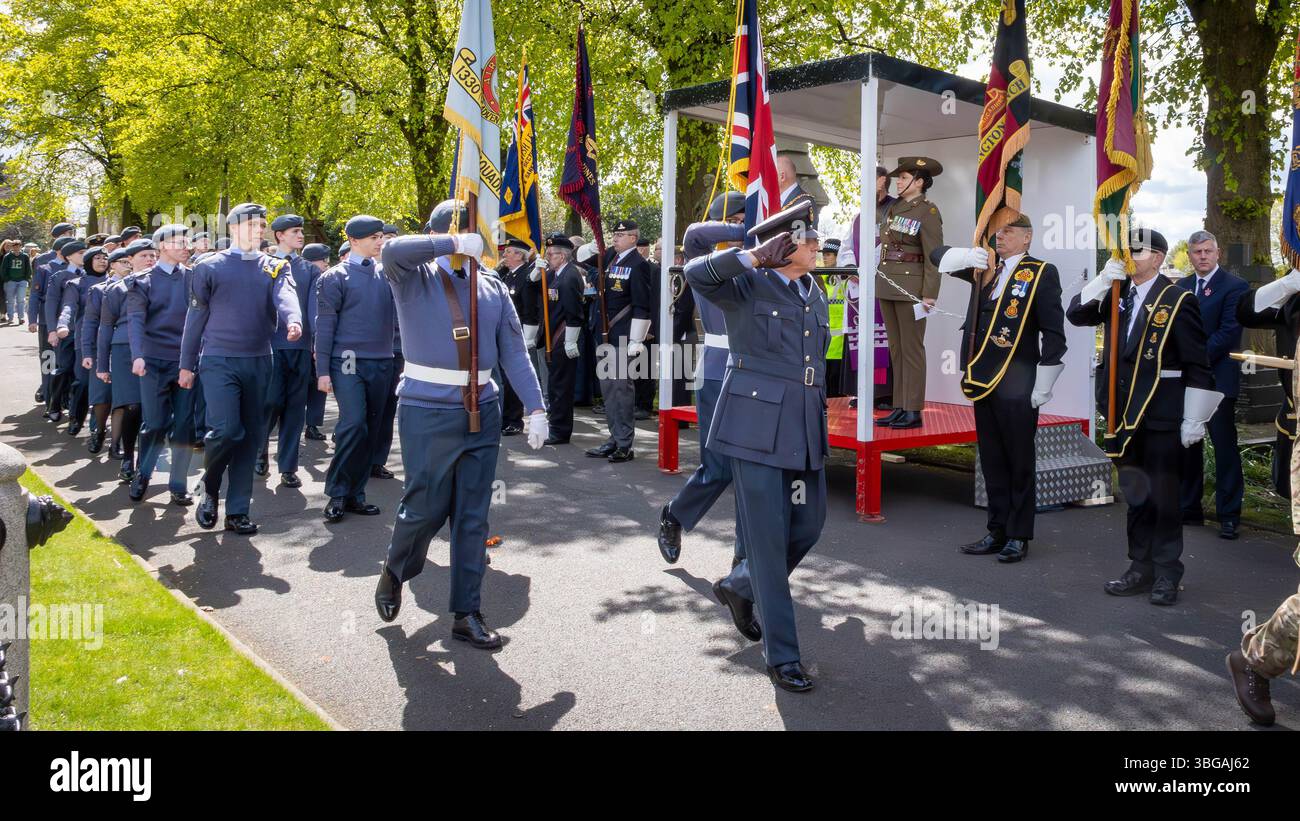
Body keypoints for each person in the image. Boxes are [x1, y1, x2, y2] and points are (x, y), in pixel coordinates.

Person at [372, 199, 547, 649]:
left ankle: (466, 612)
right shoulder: (413, 278)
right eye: (466, 233)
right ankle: (396, 568)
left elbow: (513, 351)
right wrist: (449, 242)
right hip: (427, 408)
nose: (476, 241)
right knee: (424, 505)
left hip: (482, 408)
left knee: (473, 516)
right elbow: (392, 251)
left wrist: (535, 406)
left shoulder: (491, 287)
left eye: (474, 234)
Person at [684, 195, 828, 693]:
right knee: (767, 542)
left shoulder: (814, 291)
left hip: (804, 427)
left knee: (810, 523)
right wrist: (749, 254)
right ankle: (783, 655)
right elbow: (696, 271)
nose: (817, 245)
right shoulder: (746, 284)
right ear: (783, 244)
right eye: (808, 238)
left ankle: (739, 586)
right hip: (755, 428)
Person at [1066, 229, 1218, 606]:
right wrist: (1103, 280)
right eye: (1127, 249)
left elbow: (1198, 365)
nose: (1131, 255)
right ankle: (1140, 566)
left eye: (1139, 250)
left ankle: (1167, 572)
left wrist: (1194, 420)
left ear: (1159, 257)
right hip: (1122, 412)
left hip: (1162, 413)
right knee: (1137, 496)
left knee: (1165, 497)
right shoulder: (1117, 295)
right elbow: (1076, 314)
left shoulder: (1178, 300)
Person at [932, 214, 1067, 563]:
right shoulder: (984, 269)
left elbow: (1054, 333)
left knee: (1019, 460)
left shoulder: (1040, 273)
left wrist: (1046, 381)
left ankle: (1019, 535)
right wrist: (967, 255)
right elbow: (936, 256)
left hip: (1018, 382)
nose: (1000, 238)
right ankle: (997, 529)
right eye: (997, 233)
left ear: (1028, 238)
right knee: (991, 459)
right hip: (983, 378)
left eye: (1009, 232)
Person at [179, 203, 303, 535]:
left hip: (260, 360)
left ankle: (237, 511)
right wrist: (186, 364)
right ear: (233, 228)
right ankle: (210, 484)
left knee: (250, 437)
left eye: (262, 225)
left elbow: (286, 296)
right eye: (252, 224)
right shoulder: (208, 267)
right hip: (218, 360)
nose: (259, 230)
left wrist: (293, 320)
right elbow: (195, 319)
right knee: (225, 431)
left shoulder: (274, 267)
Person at [658, 191, 746, 565]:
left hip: (755, 369)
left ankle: (745, 562)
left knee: (754, 472)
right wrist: (749, 227)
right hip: (715, 368)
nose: (744, 226)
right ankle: (674, 516)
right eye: (738, 219)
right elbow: (694, 233)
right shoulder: (703, 258)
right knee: (718, 467)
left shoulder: (756, 258)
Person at [314, 215, 395, 522]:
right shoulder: (334, 277)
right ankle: (337, 492)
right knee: (353, 424)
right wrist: (322, 370)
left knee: (371, 429)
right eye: (374, 237)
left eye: (381, 236)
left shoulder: (387, 274)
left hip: (382, 360)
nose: (380, 241)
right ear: (353, 241)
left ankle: (356, 494)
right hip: (346, 361)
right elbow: (325, 326)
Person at [1176, 230, 1248, 539]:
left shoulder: (1235, 287)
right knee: (1188, 445)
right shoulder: (1180, 287)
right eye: (1196, 252)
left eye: (1207, 251)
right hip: (1186, 380)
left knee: (1224, 447)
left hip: (1218, 380)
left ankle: (1229, 514)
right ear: (1189, 255)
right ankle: (1189, 508)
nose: (1202, 256)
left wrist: (1194, 358)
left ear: (1217, 253)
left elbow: (1228, 332)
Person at [124, 225, 197, 505]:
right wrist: (138, 355)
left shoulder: (194, 278)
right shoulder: (142, 281)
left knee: (184, 426)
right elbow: (135, 320)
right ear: (162, 246)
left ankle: (178, 483)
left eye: (187, 241)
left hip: (186, 362)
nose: (186, 246)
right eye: (179, 241)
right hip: (153, 361)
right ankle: (142, 473)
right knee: (154, 423)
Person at [877, 157, 944, 429]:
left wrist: (929, 293)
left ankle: (914, 409)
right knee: (896, 349)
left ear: (919, 182)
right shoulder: (895, 207)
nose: (900, 182)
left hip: (911, 287)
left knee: (912, 350)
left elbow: (934, 256)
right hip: (888, 284)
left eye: (904, 178)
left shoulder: (927, 211)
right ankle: (900, 405)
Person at [255, 214, 317, 488]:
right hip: (270, 347)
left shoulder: (310, 270)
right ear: (279, 235)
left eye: (301, 231)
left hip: (300, 348)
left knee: (295, 408)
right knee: (270, 403)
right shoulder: (263, 266)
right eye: (295, 231)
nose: (301, 236)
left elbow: (314, 311)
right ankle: (259, 450)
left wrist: (316, 343)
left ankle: (288, 466)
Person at [587, 218, 652, 463]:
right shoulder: (613, 260)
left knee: (621, 391)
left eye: (620, 235)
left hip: (624, 336)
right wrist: (592, 248)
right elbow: (582, 260)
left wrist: (637, 338)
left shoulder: (638, 264)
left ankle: (625, 444)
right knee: (609, 391)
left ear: (633, 238)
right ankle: (614, 438)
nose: (614, 239)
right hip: (606, 335)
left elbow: (642, 304)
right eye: (614, 235)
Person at [98, 238, 155, 482]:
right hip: (124, 352)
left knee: (153, 411)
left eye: (153, 254)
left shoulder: (165, 284)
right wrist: (102, 363)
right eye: (143, 255)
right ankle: (128, 458)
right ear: (129, 260)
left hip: (157, 350)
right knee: (132, 406)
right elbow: (104, 327)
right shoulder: (117, 289)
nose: (150, 259)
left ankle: (145, 461)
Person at [533, 233, 585, 444]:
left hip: (562, 337)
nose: (548, 256)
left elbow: (574, 312)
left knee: (561, 386)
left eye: (551, 254)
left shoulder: (570, 276)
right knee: (555, 384)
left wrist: (570, 340)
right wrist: (537, 272)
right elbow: (533, 288)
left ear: (562, 256)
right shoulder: (555, 275)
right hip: (553, 335)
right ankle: (556, 425)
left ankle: (560, 430)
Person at [56, 244, 108, 437]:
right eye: (97, 257)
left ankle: (97, 425)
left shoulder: (114, 283)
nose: (103, 261)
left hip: (109, 340)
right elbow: (68, 307)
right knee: (84, 381)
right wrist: (62, 325)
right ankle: (76, 418)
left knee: (105, 384)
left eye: (105, 257)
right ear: (88, 261)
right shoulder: (76, 284)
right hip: (85, 339)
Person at [81, 248, 129, 454]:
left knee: (123, 398)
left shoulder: (140, 286)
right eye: (123, 261)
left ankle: (116, 443)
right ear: (113, 265)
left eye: (130, 261)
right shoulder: (99, 290)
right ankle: (99, 431)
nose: (128, 265)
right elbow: (90, 322)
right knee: (102, 397)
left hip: (126, 349)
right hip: (103, 348)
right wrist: (87, 352)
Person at [44, 239, 88, 428]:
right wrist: (52, 330)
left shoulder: (89, 275)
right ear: (69, 256)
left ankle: (75, 409)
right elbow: (51, 303)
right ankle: (54, 405)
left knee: (81, 372)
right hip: (66, 331)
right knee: (64, 368)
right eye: (80, 253)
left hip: (84, 330)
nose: (84, 256)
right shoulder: (59, 276)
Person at [31, 233, 75, 417]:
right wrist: (32, 318)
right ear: (60, 251)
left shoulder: (76, 269)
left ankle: (66, 399)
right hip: (47, 321)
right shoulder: (44, 268)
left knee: (68, 363)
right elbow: (35, 295)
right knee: (49, 362)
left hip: (70, 324)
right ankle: (50, 401)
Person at [496, 238, 537, 436]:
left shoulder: (525, 277)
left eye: (510, 252)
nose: (505, 255)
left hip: (516, 332)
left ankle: (514, 420)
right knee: (503, 378)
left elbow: (529, 309)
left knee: (513, 378)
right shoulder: (507, 275)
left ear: (520, 255)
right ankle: (505, 417)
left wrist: (528, 337)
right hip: (503, 332)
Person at [301, 242, 331, 444]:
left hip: (312, 340)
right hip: (304, 341)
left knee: (317, 386)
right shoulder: (308, 278)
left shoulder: (323, 279)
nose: (327, 264)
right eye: (324, 260)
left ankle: (312, 423)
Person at [3, 238, 33, 325]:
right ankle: (10, 317)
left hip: (22, 281)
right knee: (10, 300)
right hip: (11, 281)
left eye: (18, 246)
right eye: (15, 246)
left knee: (21, 300)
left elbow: (28, 268)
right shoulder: (8, 256)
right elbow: (3, 269)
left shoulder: (25, 256)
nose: (16, 248)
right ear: (12, 247)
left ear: (21, 246)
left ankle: (21, 317)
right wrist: (7, 278)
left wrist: (26, 278)